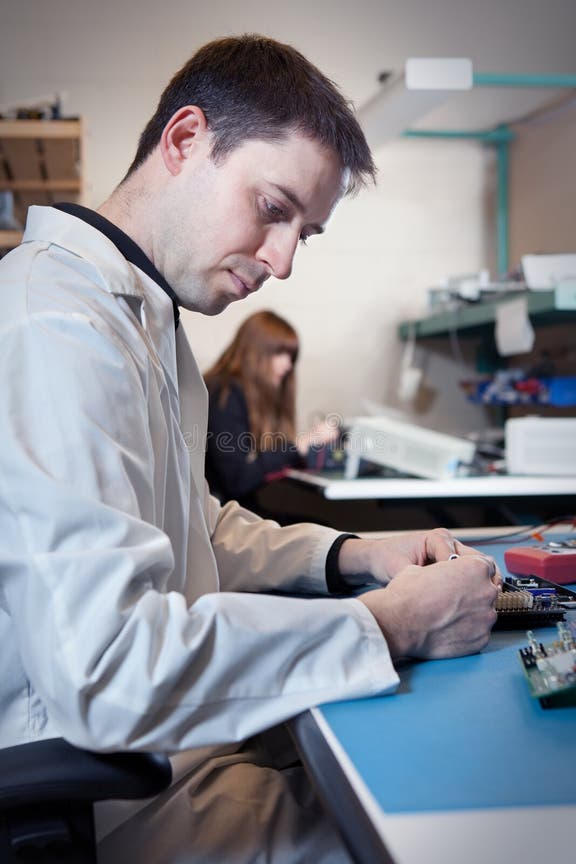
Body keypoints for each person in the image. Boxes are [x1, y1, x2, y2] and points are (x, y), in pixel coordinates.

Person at [0, 34, 500, 864]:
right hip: (115, 800)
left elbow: (194, 530)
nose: (282, 261)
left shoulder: (136, 315)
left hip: (174, 756)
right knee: (454, 838)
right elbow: (109, 672)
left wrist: (347, 557)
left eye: (305, 233)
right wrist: (388, 625)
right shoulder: (55, 325)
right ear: (186, 139)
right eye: (274, 209)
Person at [204, 309, 339, 510]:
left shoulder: (235, 391)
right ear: (255, 351)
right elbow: (238, 479)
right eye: (280, 353)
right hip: (218, 518)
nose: (288, 365)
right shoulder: (224, 393)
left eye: (291, 356)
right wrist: (299, 447)